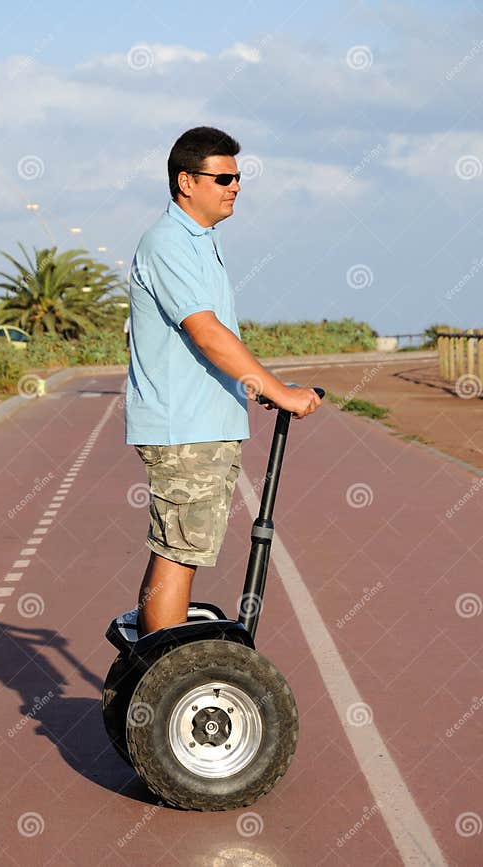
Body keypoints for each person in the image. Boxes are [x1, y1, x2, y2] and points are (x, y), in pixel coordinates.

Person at [125, 126, 321, 637]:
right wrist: (279, 391)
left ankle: (157, 668)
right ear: (186, 181)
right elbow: (207, 333)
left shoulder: (199, 241)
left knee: (180, 548)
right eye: (224, 177)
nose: (235, 186)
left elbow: (211, 341)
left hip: (201, 423)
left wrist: (252, 387)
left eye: (239, 177)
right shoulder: (169, 242)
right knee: (178, 553)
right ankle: (163, 677)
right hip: (184, 427)